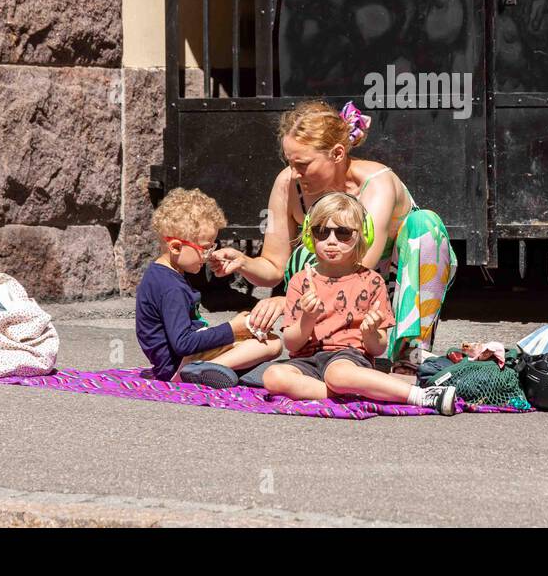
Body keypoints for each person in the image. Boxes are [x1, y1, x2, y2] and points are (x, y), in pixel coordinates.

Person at [209, 100, 456, 368]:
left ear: (337, 154)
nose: (294, 172)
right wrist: (243, 262)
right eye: (289, 162)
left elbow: (359, 266)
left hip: (386, 284)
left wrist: (286, 299)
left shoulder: (377, 183)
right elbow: (273, 267)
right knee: (311, 245)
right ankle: (320, 348)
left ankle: (409, 356)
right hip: (323, 285)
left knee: (426, 226)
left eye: (302, 164)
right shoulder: (289, 183)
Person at [260, 193, 457, 414]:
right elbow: (293, 345)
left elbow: (377, 348)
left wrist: (371, 332)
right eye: (321, 232)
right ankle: (347, 391)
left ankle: (420, 395)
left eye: (343, 233)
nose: (331, 241)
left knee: (338, 374)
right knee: (273, 377)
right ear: (310, 237)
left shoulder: (372, 281)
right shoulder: (301, 280)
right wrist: (308, 318)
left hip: (349, 357)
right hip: (307, 359)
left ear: (362, 236)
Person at [135, 188, 282, 387]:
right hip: (176, 366)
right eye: (205, 248)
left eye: (213, 246)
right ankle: (204, 369)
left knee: (261, 339)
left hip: (175, 361)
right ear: (176, 247)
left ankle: (217, 368)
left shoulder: (162, 274)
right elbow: (183, 344)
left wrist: (238, 331)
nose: (209, 255)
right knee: (273, 344)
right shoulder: (171, 288)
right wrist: (232, 329)